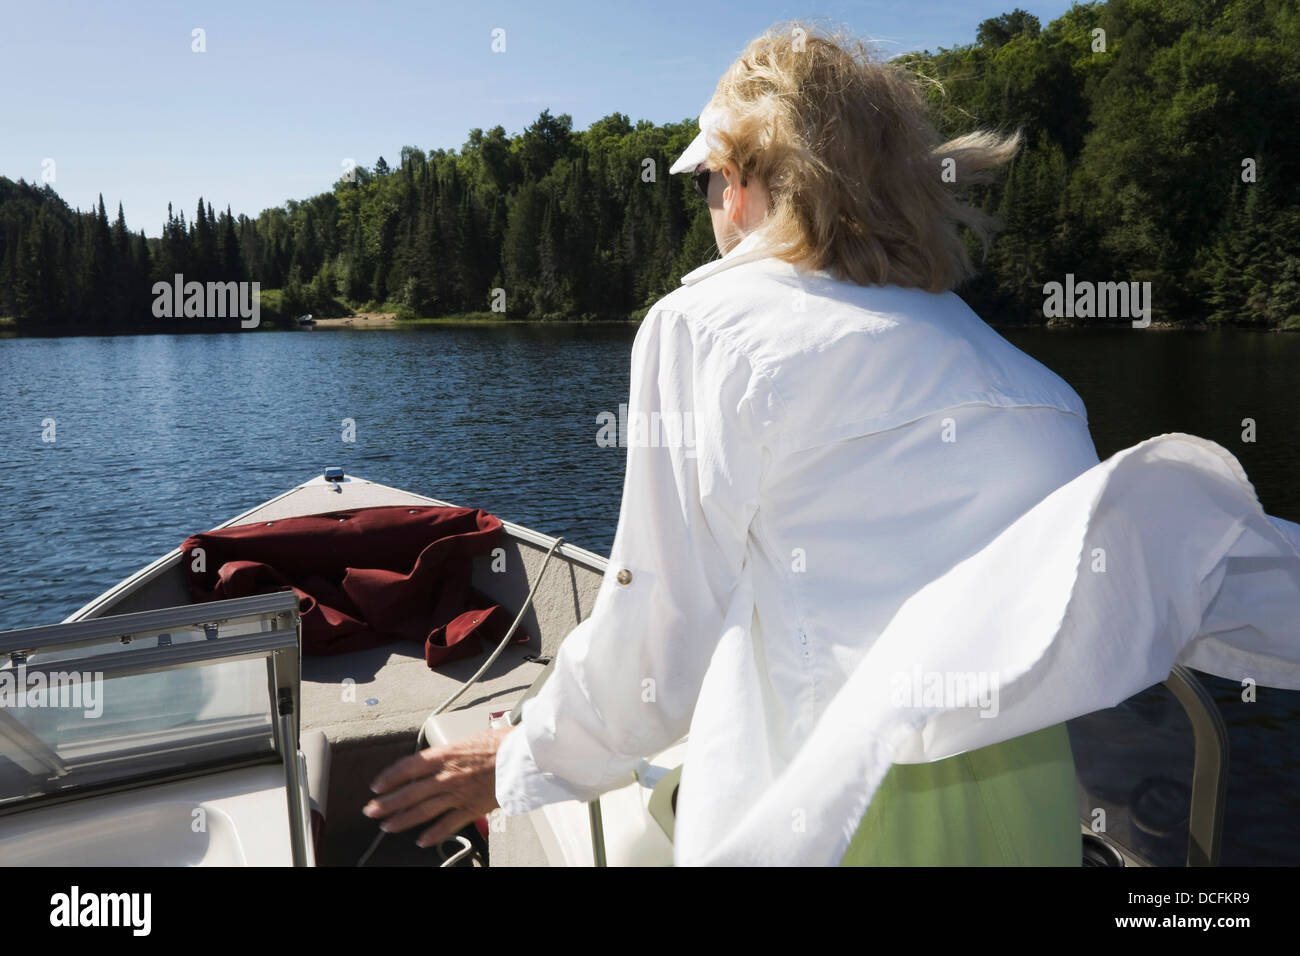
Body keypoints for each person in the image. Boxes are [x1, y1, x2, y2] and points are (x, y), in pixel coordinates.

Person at [363, 22, 1106, 865]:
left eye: (708, 185)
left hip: (829, 831)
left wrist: (522, 755)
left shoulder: (707, 329)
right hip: (1027, 824)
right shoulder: (1039, 392)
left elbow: (660, 648)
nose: (711, 211)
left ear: (743, 182)